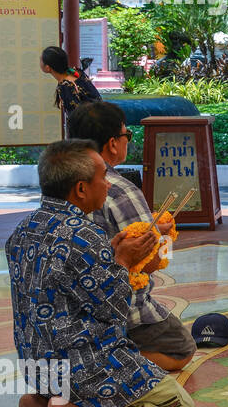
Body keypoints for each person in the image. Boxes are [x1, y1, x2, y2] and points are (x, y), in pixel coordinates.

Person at [5, 139, 195, 407]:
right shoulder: (84, 234)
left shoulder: (23, 230)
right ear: (81, 189)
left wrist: (110, 254)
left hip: (38, 368)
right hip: (85, 366)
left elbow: (65, 284)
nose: (108, 184)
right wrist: (121, 261)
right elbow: (115, 308)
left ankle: (42, 400)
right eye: (102, 178)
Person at [67, 102, 195, 371]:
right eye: (127, 135)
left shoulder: (60, 185)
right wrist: (167, 237)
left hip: (69, 307)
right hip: (119, 308)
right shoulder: (121, 190)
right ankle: (108, 359)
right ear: (113, 143)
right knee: (182, 349)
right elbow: (148, 262)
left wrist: (150, 229)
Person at [41, 46, 101, 123]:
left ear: (47, 68)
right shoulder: (76, 72)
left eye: (41, 60)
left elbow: (75, 117)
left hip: (92, 127)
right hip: (101, 116)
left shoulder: (65, 86)